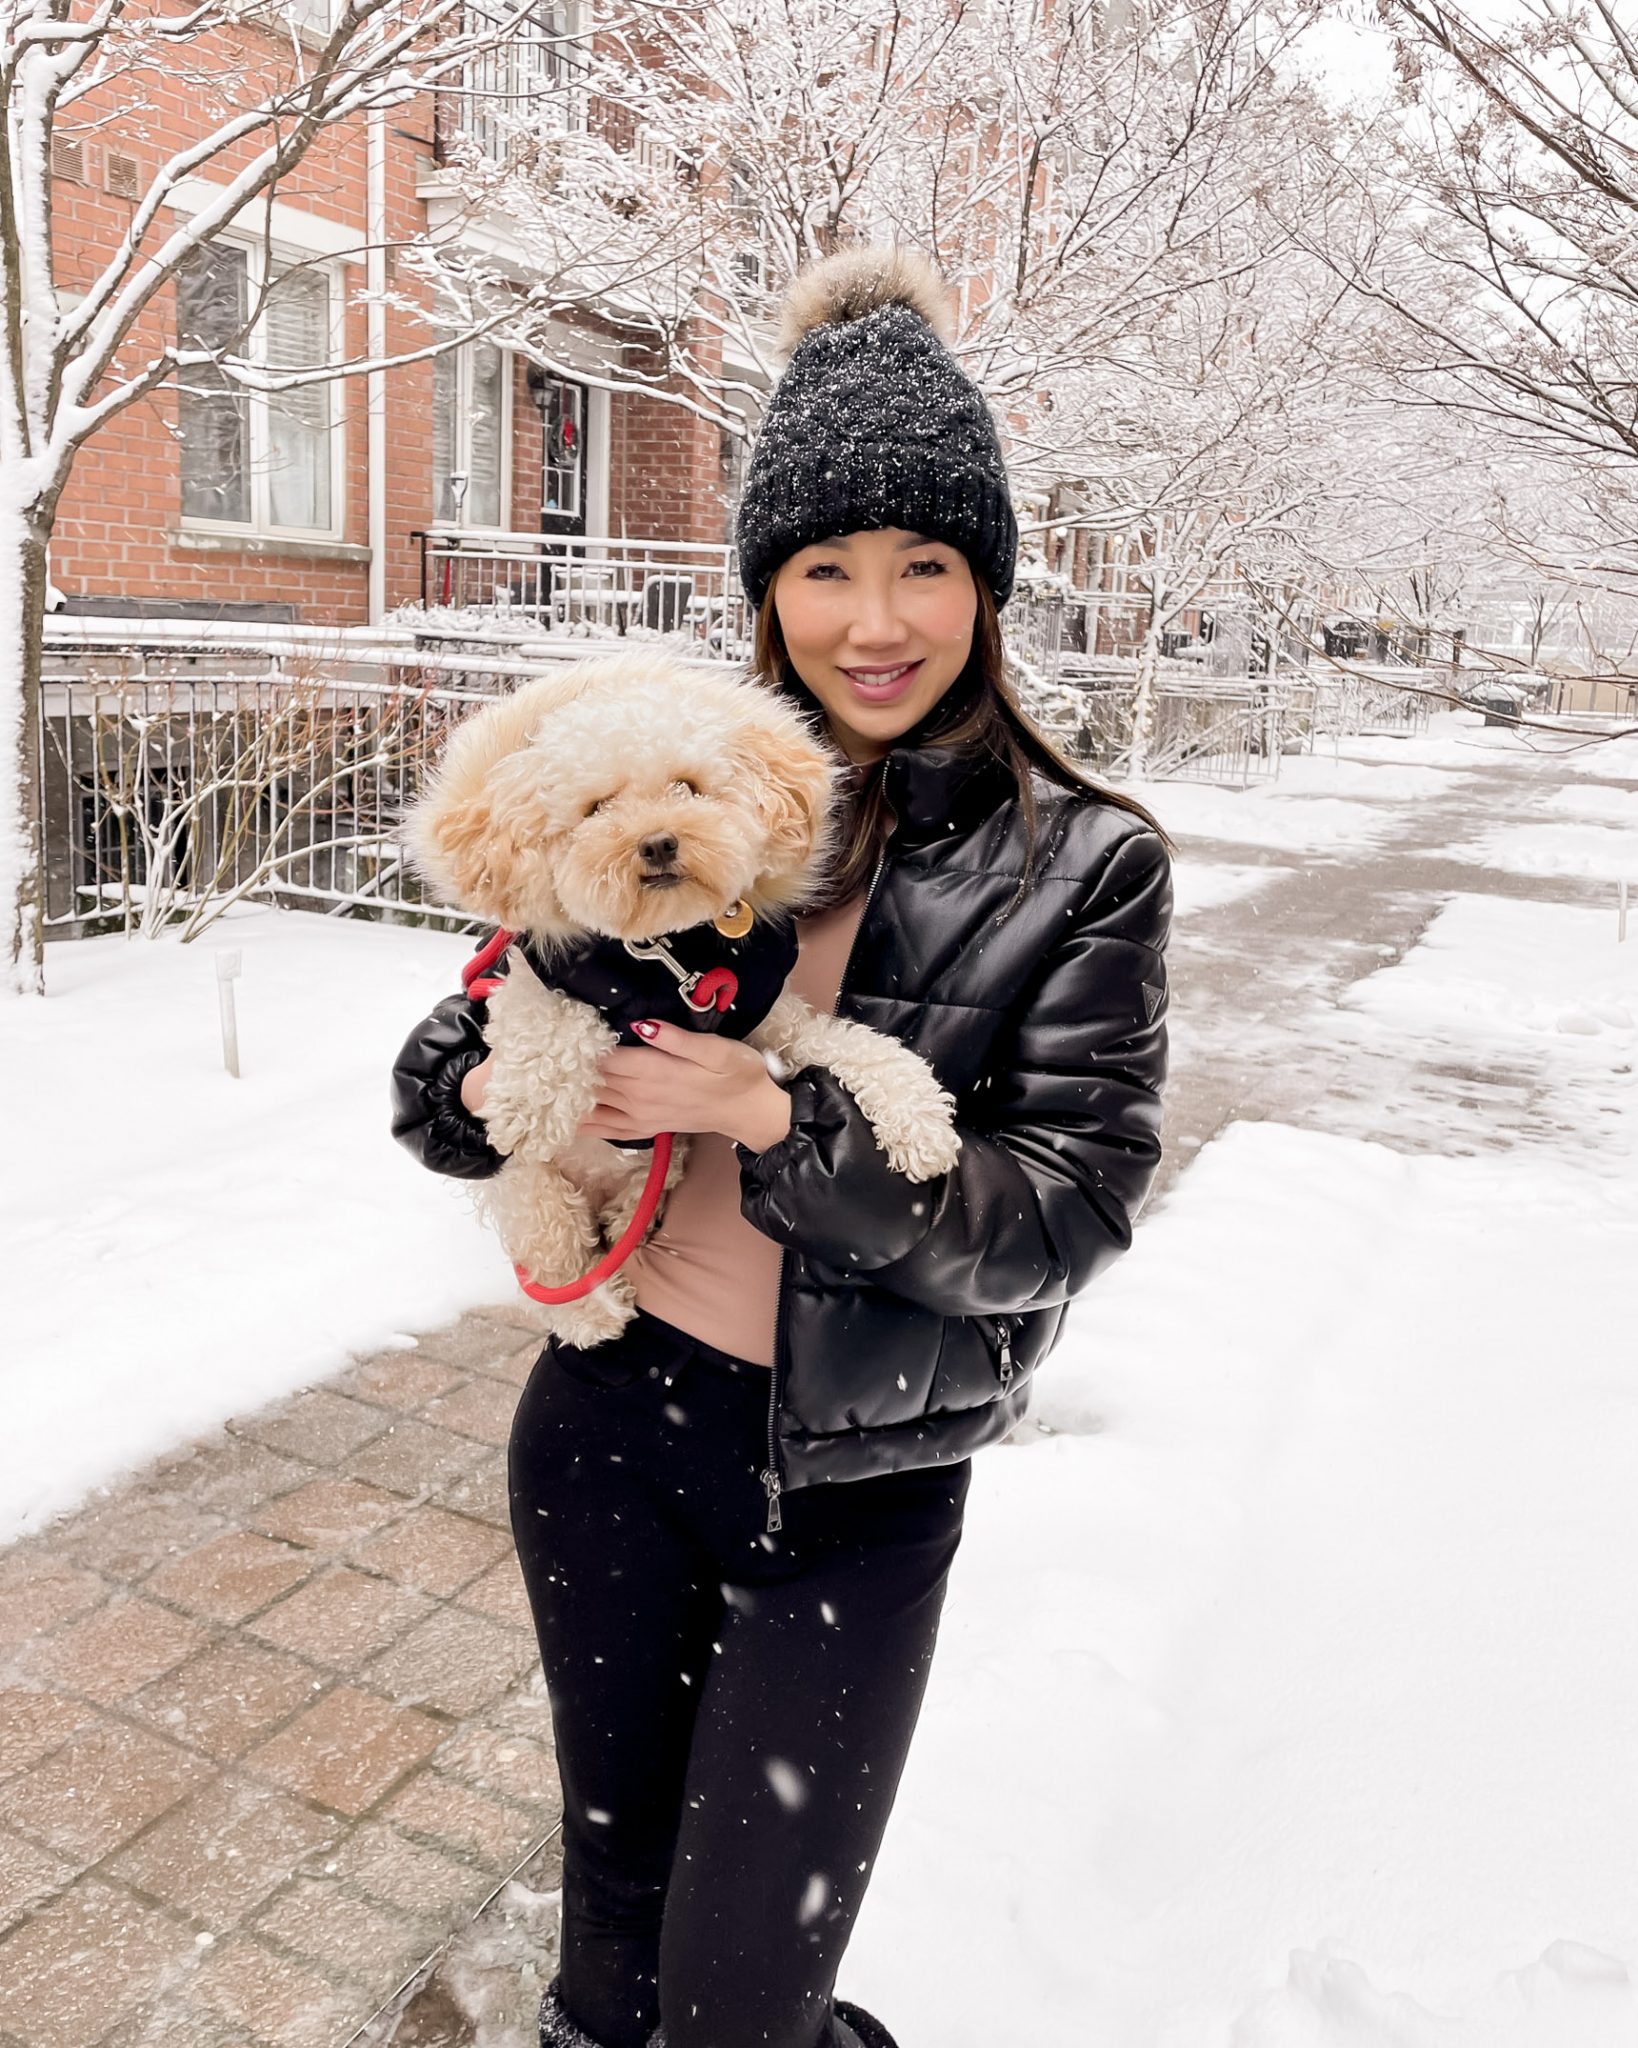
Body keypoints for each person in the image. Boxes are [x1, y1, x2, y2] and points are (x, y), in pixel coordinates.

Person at [390, 244, 1174, 2048]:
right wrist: (475, 1088)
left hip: (859, 1486)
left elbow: (1060, 1219)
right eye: (828, 567)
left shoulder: (1083, 861)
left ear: (984, 586)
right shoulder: (664, 770)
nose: (876, 617)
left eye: (926, 566)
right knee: (607, 1957)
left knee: (742, 2002)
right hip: (607, 1437)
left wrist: (770, 1115)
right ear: (771, 588)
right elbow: (474, 1053)